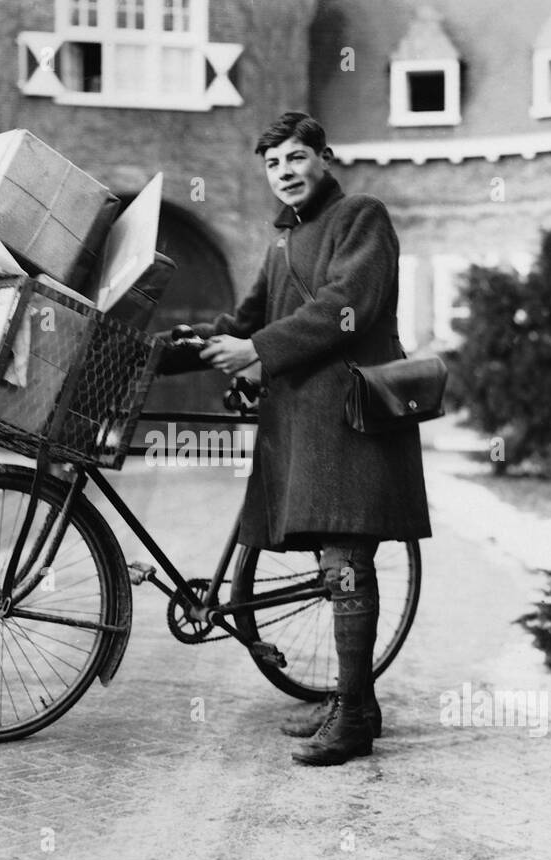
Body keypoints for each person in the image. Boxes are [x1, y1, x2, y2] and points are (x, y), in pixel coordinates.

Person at [170, 111, 432, 766]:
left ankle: (353, 719)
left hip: (350, 416)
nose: (284, 172)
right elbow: (245, 317)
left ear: (323, 156)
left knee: (346, 562)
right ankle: (352, 698)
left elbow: (348, 306)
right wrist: (172, 352)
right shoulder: (282, 238)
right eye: (272, 164)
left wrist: (256, 348)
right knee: (331, 562)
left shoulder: (360, 216)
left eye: (295, 157)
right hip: (302, 424)